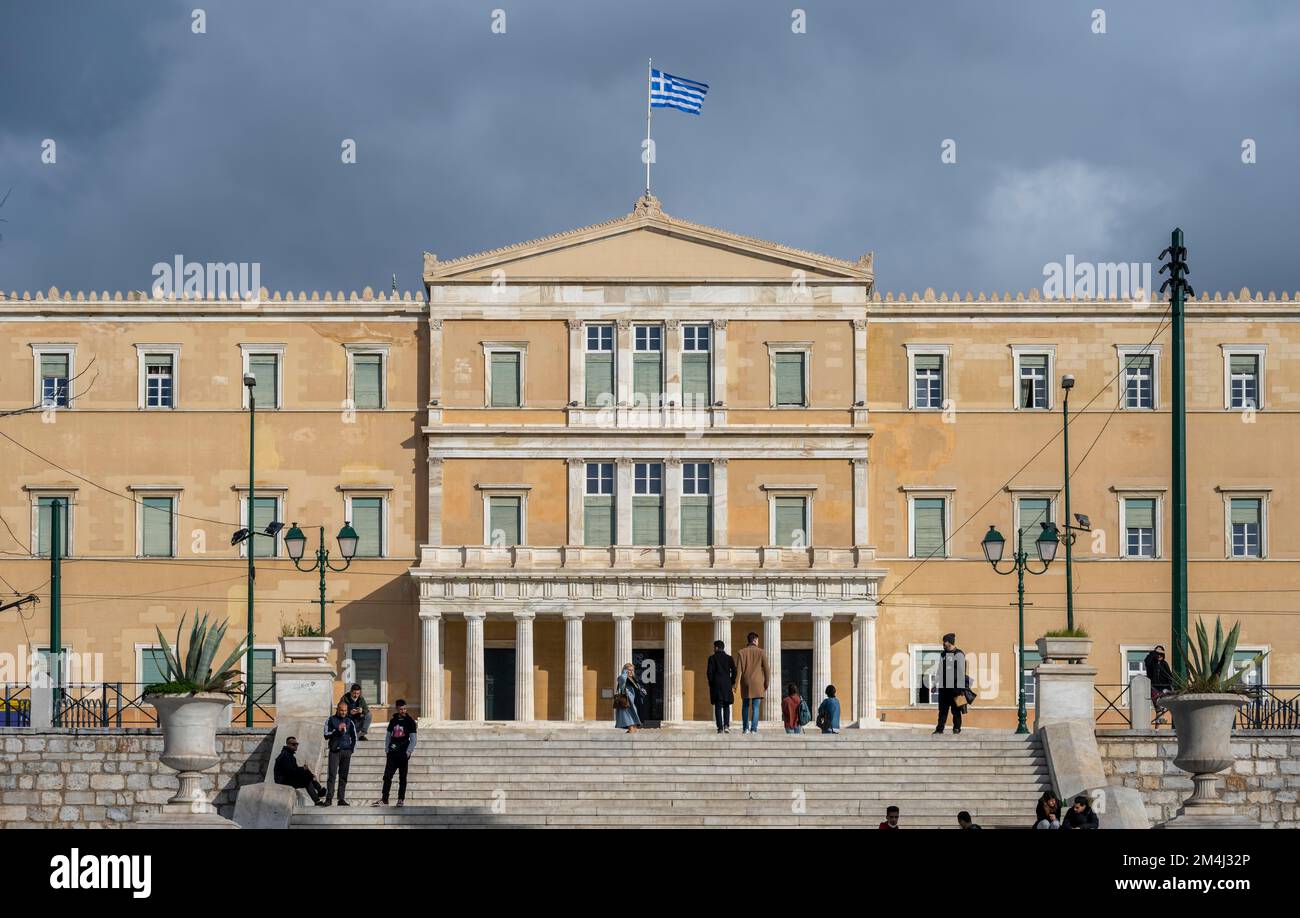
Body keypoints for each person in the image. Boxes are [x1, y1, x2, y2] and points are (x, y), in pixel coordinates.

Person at [375, 699, 417, 807]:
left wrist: (408, 752)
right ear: (397, 709)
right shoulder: (393, 720)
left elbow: (413, 739)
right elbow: (388, 735)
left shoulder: (410, 721)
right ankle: (384, 799)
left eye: (404, 709)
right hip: (392, 753)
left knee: (402, 777)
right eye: (401, 709)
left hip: (403, 753)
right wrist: (387, 749)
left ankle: (401, 799)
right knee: (387, 776)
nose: (403, 711)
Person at [323, 699, 358, 806]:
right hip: (334, 751)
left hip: (346, 752)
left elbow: (354, 737)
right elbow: (326, 735)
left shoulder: (349, 721)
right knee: (332, 775)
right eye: (341, 710)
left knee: (343, 776)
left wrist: (351, 750)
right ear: (337, 709)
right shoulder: (330, 719)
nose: (343, 712)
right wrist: (336, 730)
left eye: (345, 710)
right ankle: (329, 798)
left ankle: (341, 799)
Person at [272, 736, 325, 805]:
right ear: (288, 745)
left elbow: (295, 770)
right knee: (306, 778)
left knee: (306, 776)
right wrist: (304, 770)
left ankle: (318, 796)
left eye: (297, 744)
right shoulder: (285, 755)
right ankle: (319, 792)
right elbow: (290, 771)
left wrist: (306, 772)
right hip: (282, 780)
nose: (296, 746)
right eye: (293, 744)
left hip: (288, 778)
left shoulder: (290, 755)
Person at [735, 632, 770, 735]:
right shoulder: (761, 652)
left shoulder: (741, 652)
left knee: (745, 706)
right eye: (757, 640)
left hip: (745, 682)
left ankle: (745, 728)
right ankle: (753, 729)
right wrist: (766, 683)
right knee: (755, 707)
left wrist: (735, 685)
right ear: (754, 640)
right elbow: (767, 670)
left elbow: (739, 670)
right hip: (758, 683)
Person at [933, 633, 966, 735]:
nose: (943, 643)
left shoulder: (959, 654)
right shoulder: (943, 654)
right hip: (943, 687)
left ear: (949, 642)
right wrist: (935, 684)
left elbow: (961, 671)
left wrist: (961, 689)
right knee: (942, 710)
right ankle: (939, 729)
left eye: (944, 641)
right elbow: (939, 670)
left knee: (956, 710)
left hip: (955, 688)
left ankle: (956, 728)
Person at [706, 640, 737, 734]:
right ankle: (726, 726)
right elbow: (734, 671)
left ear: (716, 647)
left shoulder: (712, 658)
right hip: (727, 685)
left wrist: (712, 683)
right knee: (727, 706)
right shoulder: (729, 658)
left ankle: (720, 728)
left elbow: (709, 673)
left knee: (718, 707)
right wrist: (731, 681)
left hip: (716, 685)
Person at [1143, 646, 1174, 721]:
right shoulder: (1151, 663)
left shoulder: (1164, 664)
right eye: (1158, 654)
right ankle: (1158, 727)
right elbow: (1146, 660)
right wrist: (1154, 652)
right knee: (1158, 707)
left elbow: (1169, 675)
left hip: (1164, 688)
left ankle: (1159, 723)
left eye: (1161, 654)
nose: (1159, 656)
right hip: (1154, 687)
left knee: (1161, 705)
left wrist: (1170, 686)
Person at [614, 662, 645, 733]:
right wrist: (625, 672)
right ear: (625, 670)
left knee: (634, 729)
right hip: (627, 702)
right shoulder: (622, 678)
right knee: (631, 725)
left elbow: (637, 688)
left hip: (635, 702)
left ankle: (630, 735)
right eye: (629, 670)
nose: (631, 671)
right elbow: (622, 681)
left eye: (632, 670)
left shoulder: (633, 679)